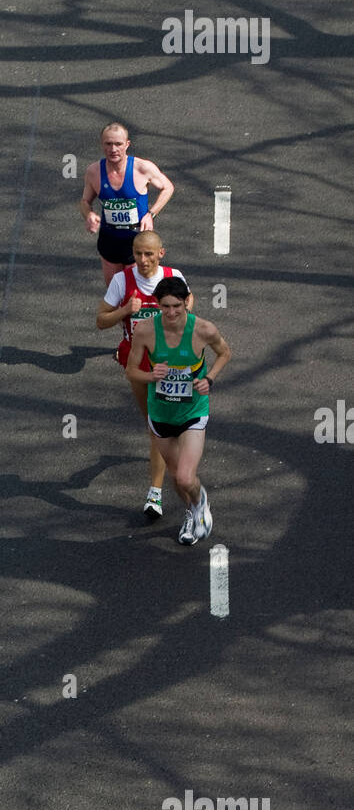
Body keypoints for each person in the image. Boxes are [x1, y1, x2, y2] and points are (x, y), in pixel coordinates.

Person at [125, 277, 231, 546]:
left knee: (185, 476)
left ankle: (200, 502)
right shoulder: (146, 331)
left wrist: (209, 379)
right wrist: (151, 376)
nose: (171, 313)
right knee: (176, 477)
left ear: (187, 302)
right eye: (165, 307)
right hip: (161, 414)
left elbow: (224, 353)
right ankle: (192, 513)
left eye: (176, 306)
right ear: (158, 305)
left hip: (192, 412)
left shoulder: (203, 329)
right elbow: (131, 370)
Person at [96, 231, 193, 519]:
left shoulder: (172, 276)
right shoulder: (121, 281)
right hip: (136, 365)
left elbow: (189, 304)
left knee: (158, 426)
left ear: (161, 253)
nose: (142, 260)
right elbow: (101, 320)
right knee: (154, 425)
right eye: (138, 253)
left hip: (169, 366)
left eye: (149, 254)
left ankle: (155, 493)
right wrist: (125, 310)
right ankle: (172, 470)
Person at [79, 123, 175, 286]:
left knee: (136, 293)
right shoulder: (94, 171)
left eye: (118, 144)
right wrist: (88, 214)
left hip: (137, 242)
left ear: (127, 144)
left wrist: (150, 214)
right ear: (102, 144)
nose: (113, 149)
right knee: (114, 292)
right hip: (109, 240)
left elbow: (168, 187)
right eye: (108, 144)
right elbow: (85, 201)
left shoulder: (142, 168)